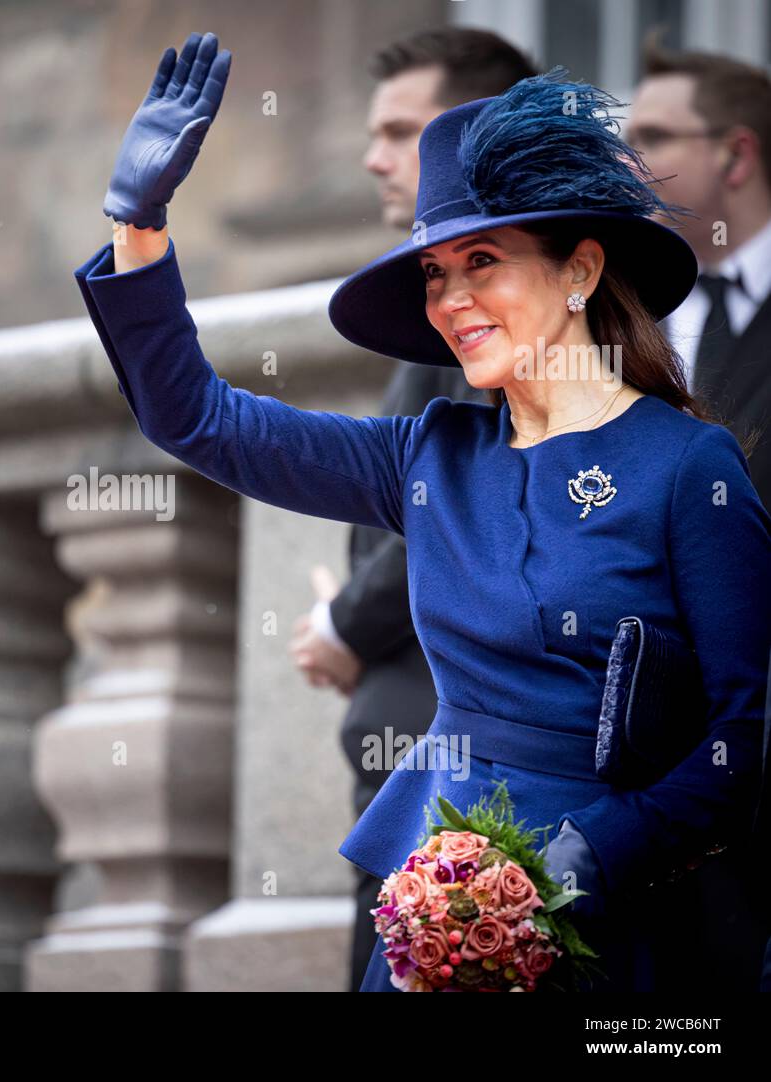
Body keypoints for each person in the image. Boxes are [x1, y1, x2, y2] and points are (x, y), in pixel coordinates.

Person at [77, 31, 771, 992]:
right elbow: (199, 420)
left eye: (482, 261)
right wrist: (138, 228)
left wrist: (595, 855)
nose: (451, 299)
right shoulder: (427, 454)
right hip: (434, 908)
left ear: (579, 271)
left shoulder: (689, 466)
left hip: (615, 924)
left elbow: (746, 736)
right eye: (436, 273)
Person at [284, 28, 535, 994]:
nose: (372, 156)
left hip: (460, 757)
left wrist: (345, 620)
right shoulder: (452, 291)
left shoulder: (498, 302)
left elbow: (458, 496)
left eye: (401, 130)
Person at [627, 39, 771, 992]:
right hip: (647, 783)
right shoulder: (624, 325)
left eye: (651, 138)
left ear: (737, 156)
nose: (626, 162)